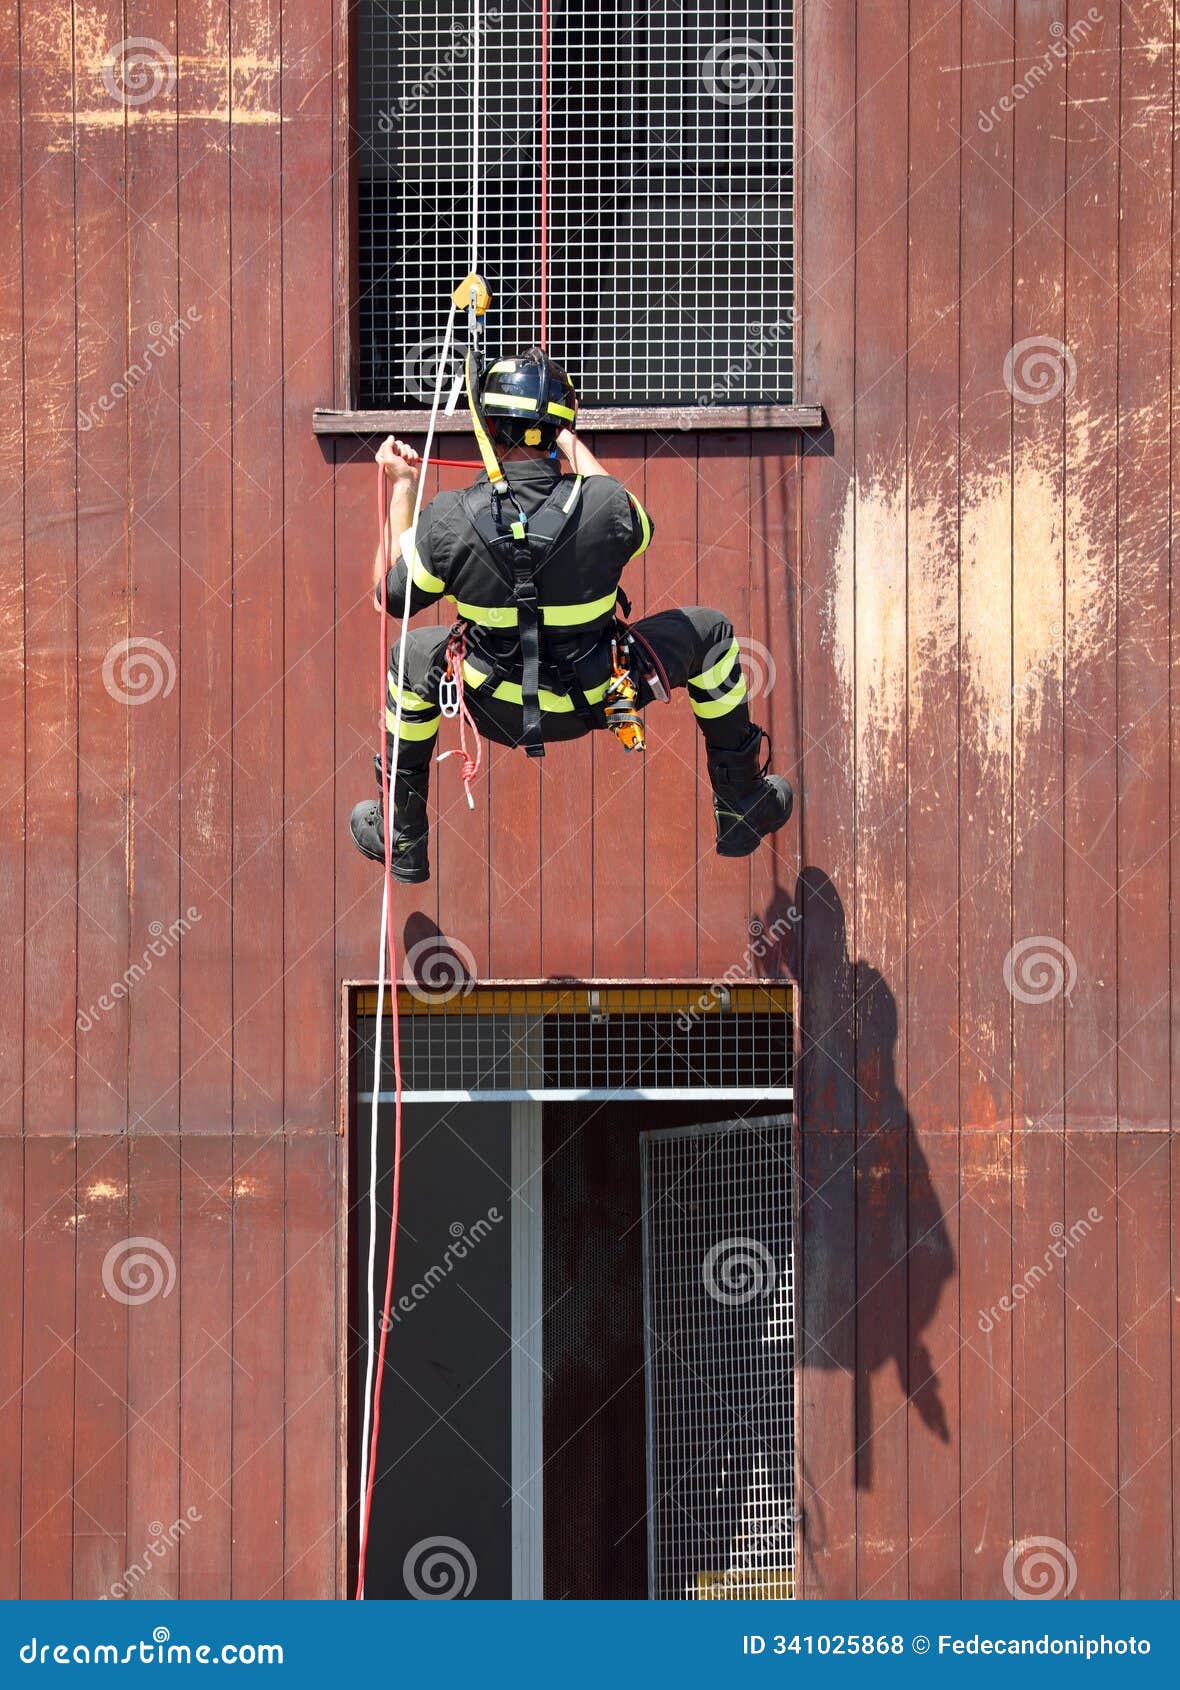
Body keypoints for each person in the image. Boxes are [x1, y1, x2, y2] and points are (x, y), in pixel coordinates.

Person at [350, 347, 792, 883]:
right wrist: (566, 437)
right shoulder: (605, 504)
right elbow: (639, 524)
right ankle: (740, 803)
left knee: (408, 656)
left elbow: (389, 601)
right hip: (595, 698)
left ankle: (402, 834)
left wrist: (402, 486)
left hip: (491, 706)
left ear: (489, 428)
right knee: (712, 634)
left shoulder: (450, 517)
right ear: (562, 426)